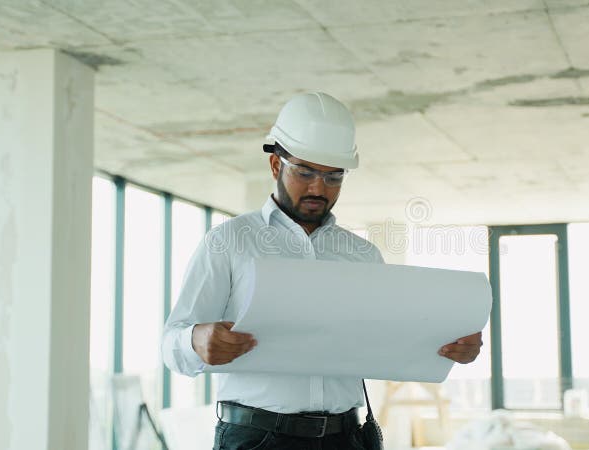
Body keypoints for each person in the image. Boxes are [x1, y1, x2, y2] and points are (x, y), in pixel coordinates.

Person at [161, 92, 482, 450]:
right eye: (306, 172)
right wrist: (196, 340)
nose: (318, 188)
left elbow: (389, 341)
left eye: (334, 177)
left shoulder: (362, 256)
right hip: (257, 439)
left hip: (344, 437)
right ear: (275, 166)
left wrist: (449, 346)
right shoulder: (228, 242)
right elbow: (170, 344)